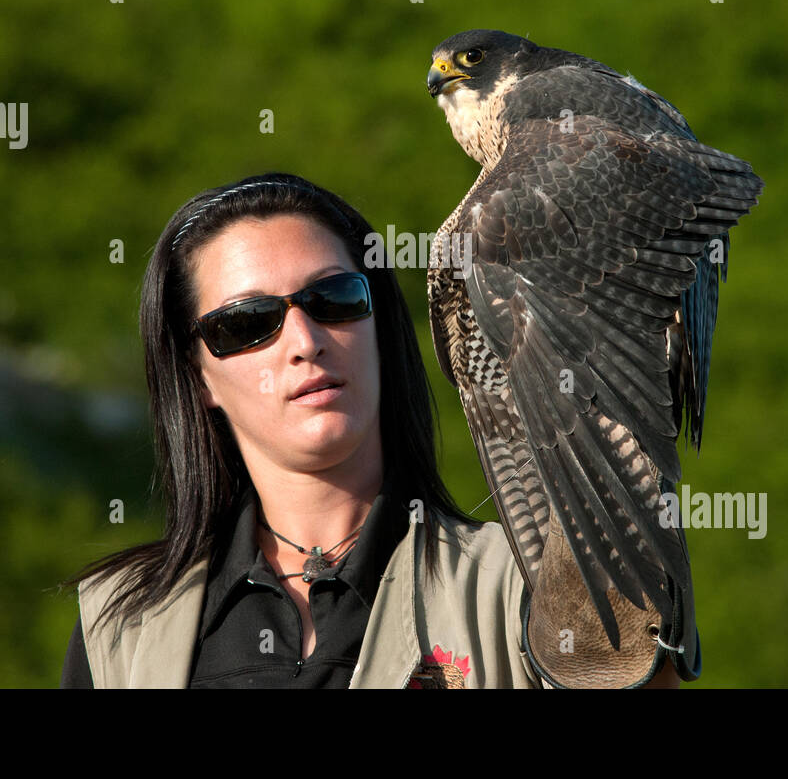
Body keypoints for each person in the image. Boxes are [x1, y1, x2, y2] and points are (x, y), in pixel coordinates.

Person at [58, 172, 688, 688]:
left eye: (334, 299)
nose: (304, 341)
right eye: (248, 322)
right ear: (197, 379)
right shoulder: (122, 627)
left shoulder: (529, 586)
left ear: (380, 325)